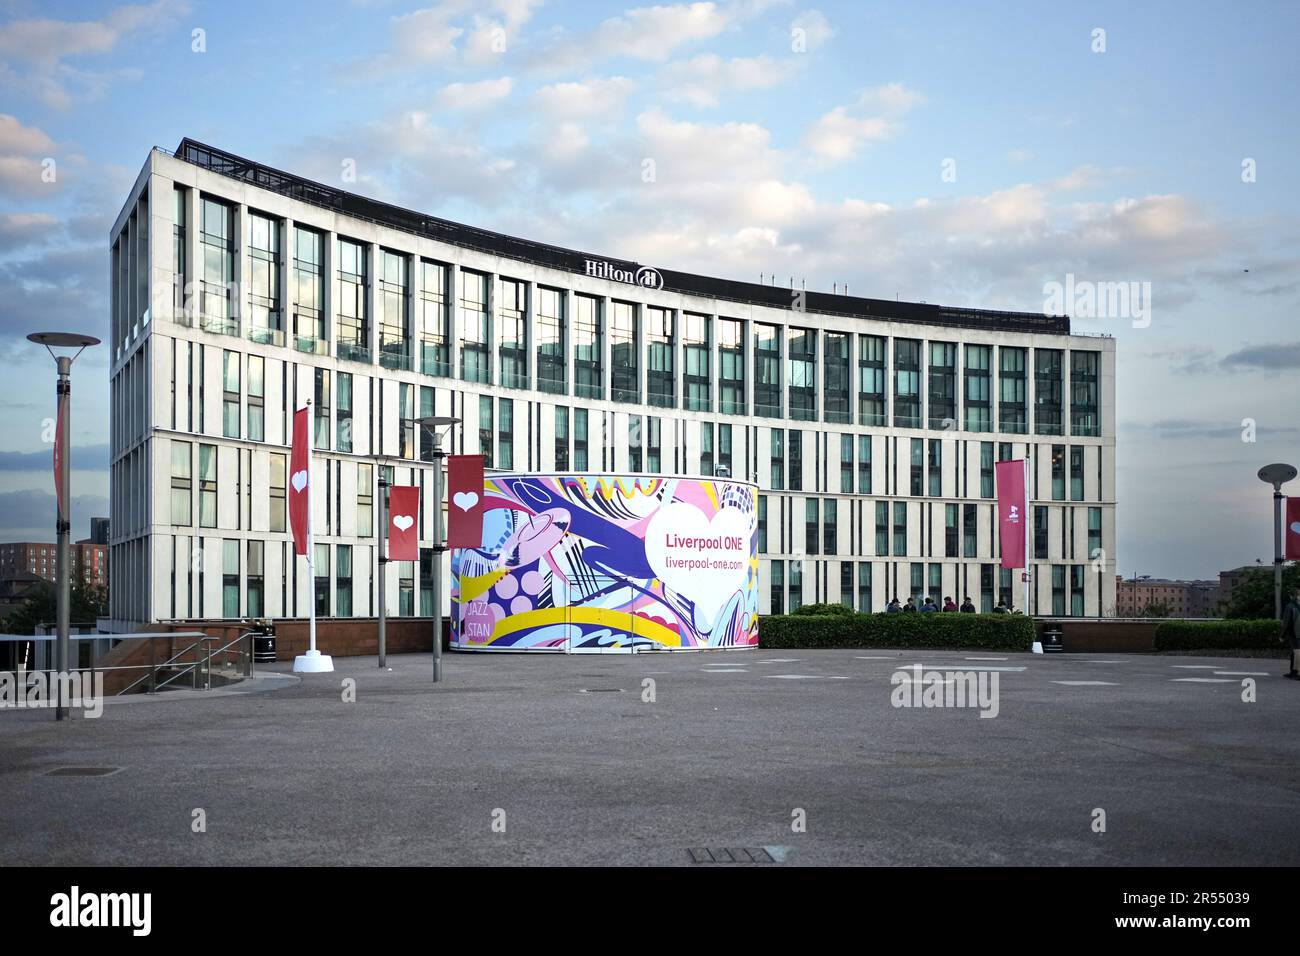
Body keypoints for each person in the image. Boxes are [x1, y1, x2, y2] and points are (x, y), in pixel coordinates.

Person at [1283, 586, 1300, 679]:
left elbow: (1286, 623)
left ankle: (1296, 673)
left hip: (1295, 633)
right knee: (1295, 652)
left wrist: (1282, 635)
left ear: (1291, 596)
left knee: (1296, 652)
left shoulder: (1290, 606)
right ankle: (1293, 672)